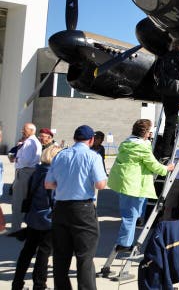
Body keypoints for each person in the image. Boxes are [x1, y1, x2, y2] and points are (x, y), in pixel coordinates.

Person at [45, 124, 107, 290]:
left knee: (60, 256)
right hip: (83, 209)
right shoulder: (93, 156)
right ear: (91, 140)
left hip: (61, 208)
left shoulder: (60, 155)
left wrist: (65, 183)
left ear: (74, 138)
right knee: (85, 256)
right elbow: (100, 184)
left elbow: (48, 184)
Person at [107, 119, 173, 251]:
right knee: (130, 215)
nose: (150, 134)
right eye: (149, 132)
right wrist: (166, 169)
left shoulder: (126, 143)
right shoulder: (142, 147)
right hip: (133, 184)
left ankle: (131, 229)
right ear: (145, 132)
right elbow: (153, 165)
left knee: (130, 211)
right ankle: (124, 243)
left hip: (124, 183)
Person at [12, 144, 61, 290]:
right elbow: (54, 199)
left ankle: (17, 283)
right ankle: (39, 285)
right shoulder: (52, 175)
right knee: (43, 252)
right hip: (47, 218)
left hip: (33, 216)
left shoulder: (37, 171)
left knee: (27, 251)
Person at [12, 123, 42, 231]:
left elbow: (25, 161)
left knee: (18, 201)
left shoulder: (30, 142)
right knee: (23, 201)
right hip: (28, 172)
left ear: (32, 130)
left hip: (25, 172)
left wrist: (16, 158)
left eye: (24, 129)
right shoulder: (31, 141)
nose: (22, 131)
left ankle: (16, 228)